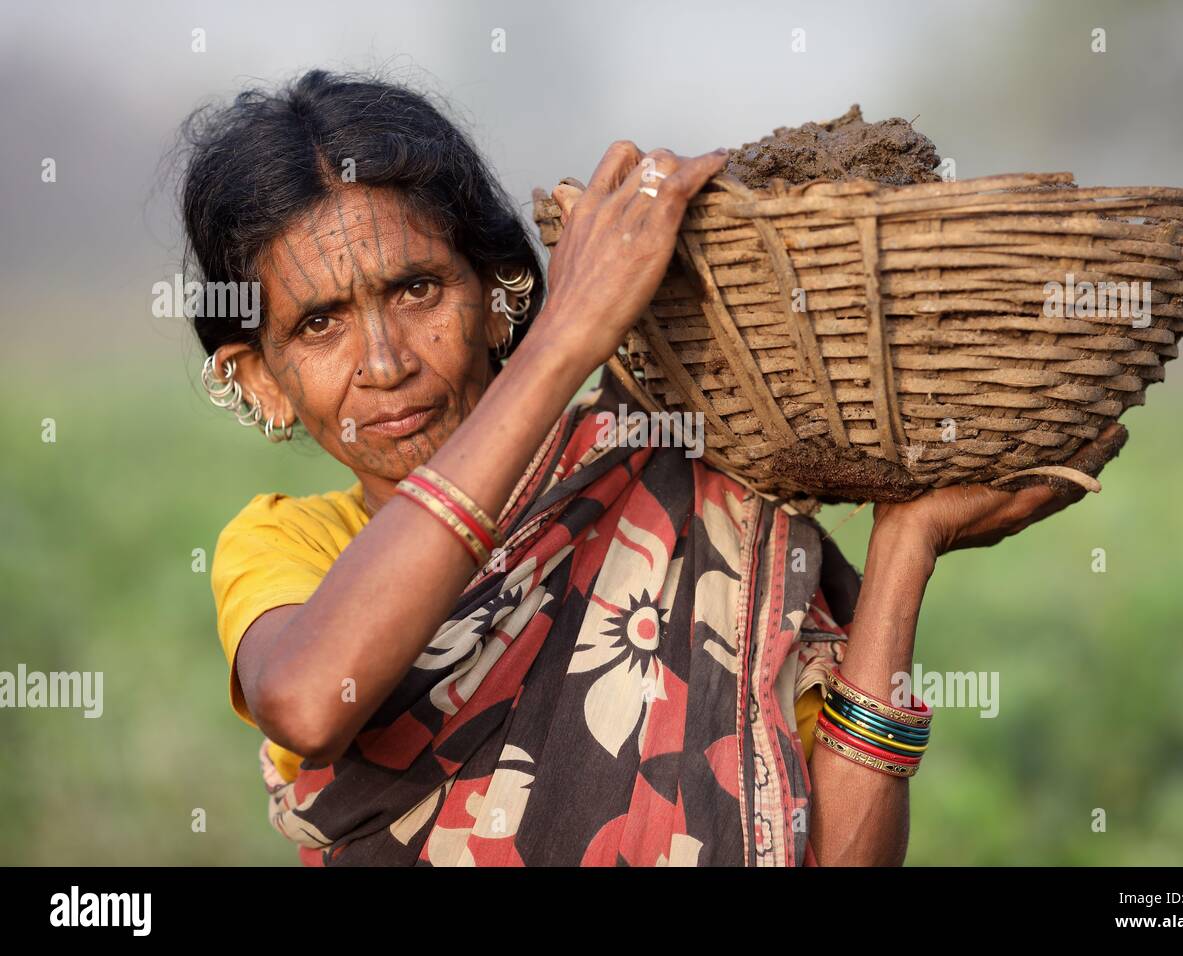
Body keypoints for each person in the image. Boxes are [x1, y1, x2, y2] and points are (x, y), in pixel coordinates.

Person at [182, 70, 1125, 866]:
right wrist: (566, 341)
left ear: (497, 296)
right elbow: (311, 700)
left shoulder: (684, 476)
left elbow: (832, 852)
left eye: (417, 288)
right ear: (260, 378)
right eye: (319, 324)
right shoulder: (287, 547)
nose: (385, 362)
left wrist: (905, 551)